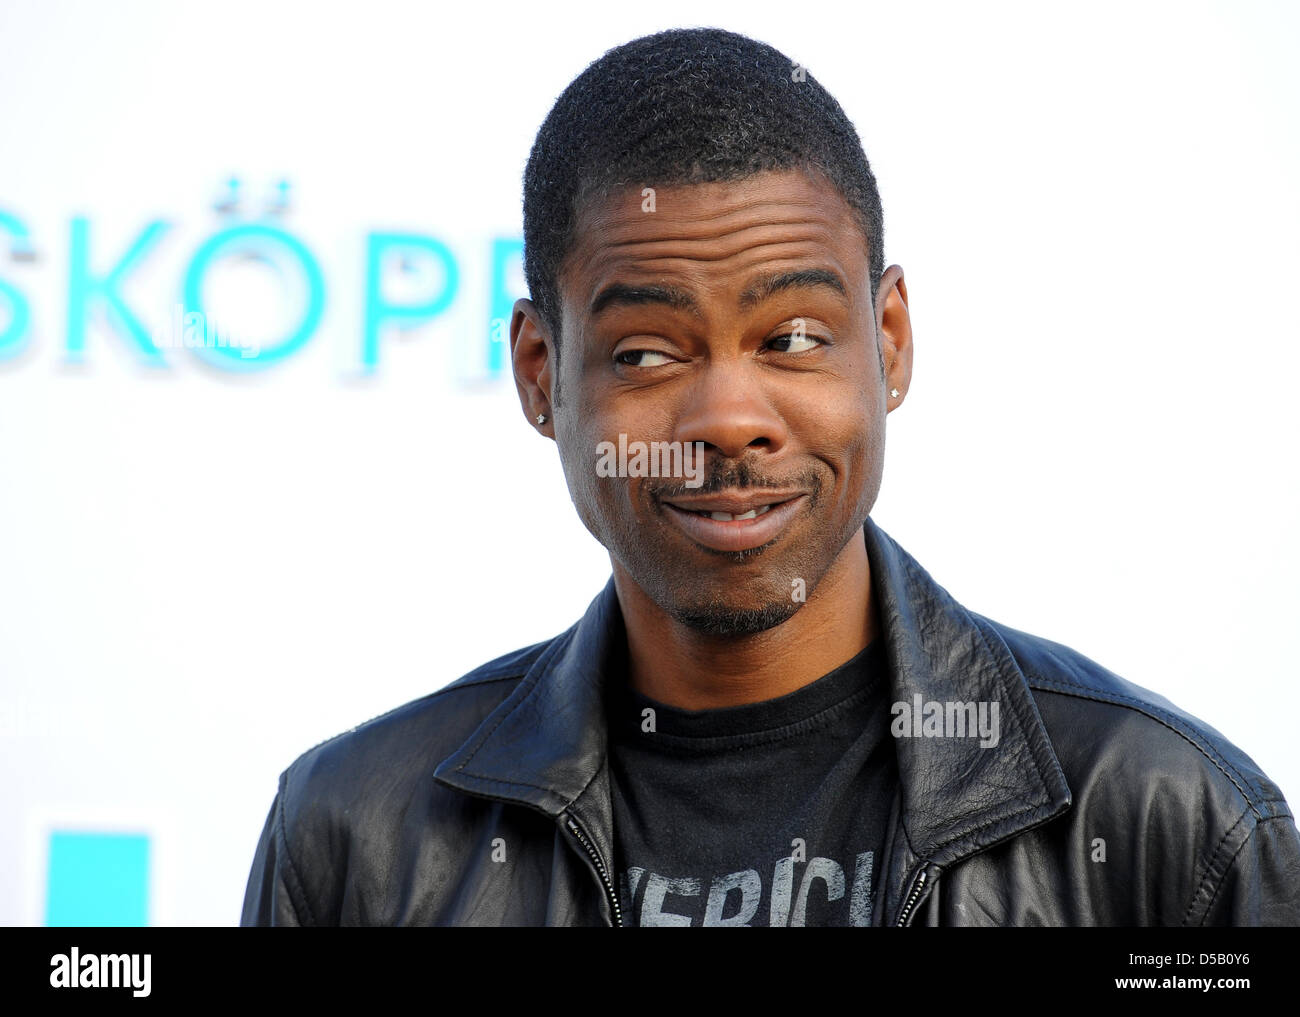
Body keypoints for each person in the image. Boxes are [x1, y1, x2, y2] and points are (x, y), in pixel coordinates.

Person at [241, 26, 1300, 927]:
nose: (731, 421)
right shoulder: (359, 844)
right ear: (539, 376)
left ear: (887, 343)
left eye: (793, 336)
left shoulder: (1164, 829)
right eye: (647, 353)